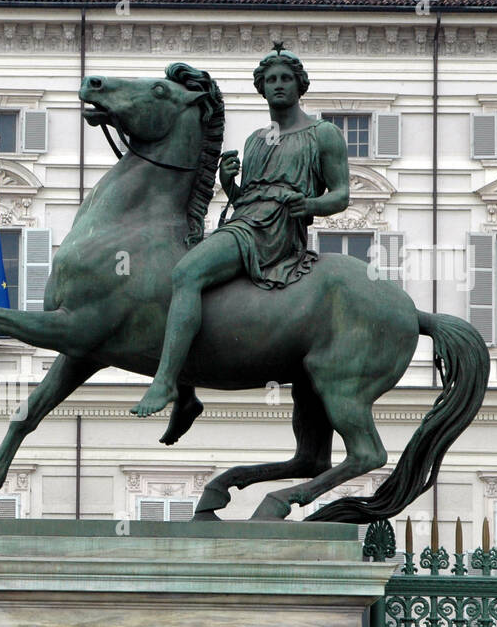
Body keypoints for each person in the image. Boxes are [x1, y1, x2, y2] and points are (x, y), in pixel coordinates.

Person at [131, 45, 351, 417]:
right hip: (245, 221)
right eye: (270, 80)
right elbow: (248, 196)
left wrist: (310, 205)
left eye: (285, 79)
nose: (278, 85)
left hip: (276, 230)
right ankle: (187, 393)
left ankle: (167, 382)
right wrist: (230, 184)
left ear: (300, 86)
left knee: (186, 273)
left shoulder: (323, 133)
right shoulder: (255, 139)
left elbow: (342, 195)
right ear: (261, 89)